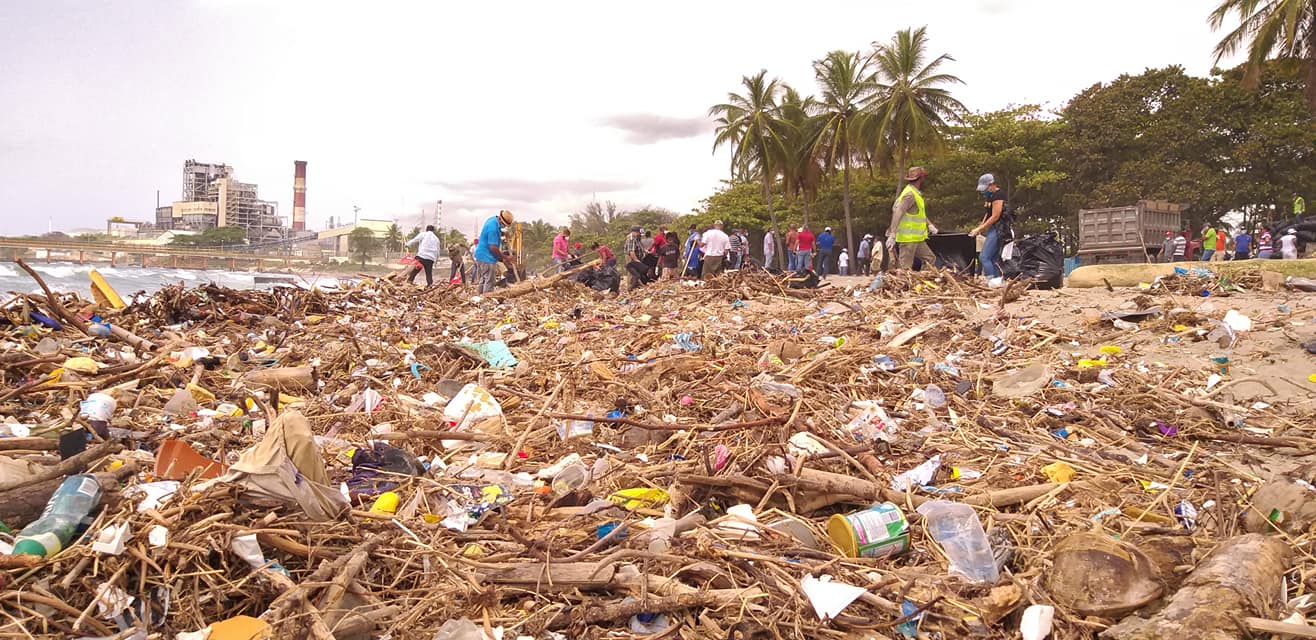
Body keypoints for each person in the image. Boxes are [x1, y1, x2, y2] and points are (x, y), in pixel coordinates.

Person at [888, 166, 939, 272]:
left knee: (930, 259)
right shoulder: (910, 194)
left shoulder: (915, 193)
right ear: (921, 178)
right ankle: (904, 282)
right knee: (905, 268)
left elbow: (919, 214)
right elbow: (898, 212)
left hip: (917, 238)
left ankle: (923, 280)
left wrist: (929, 225)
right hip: (908, 239)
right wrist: (892, 234)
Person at [969, 173, 1007, 279]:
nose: (984, 191)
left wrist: (980, 228)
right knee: (993, 258)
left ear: (991, 185)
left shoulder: (999, 195)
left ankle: (990, 280)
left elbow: (995, 216)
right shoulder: (989, 197)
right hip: (991, 228)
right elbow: (988, 213)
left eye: (985, 188)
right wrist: (979, 227)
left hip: (998, 228)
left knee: (984, 257)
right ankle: (997, 281)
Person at [473, 210, 514, 294]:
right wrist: (505, 258)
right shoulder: (493, 229)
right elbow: (493, 248)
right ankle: (487, 298)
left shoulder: (492, 220)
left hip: (480, 255)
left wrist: (503, 234)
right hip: (487, 257)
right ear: (501, 220)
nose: (504, 226)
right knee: (489, 281)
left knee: (483, 279)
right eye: (504, 225)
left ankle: (480, 297)